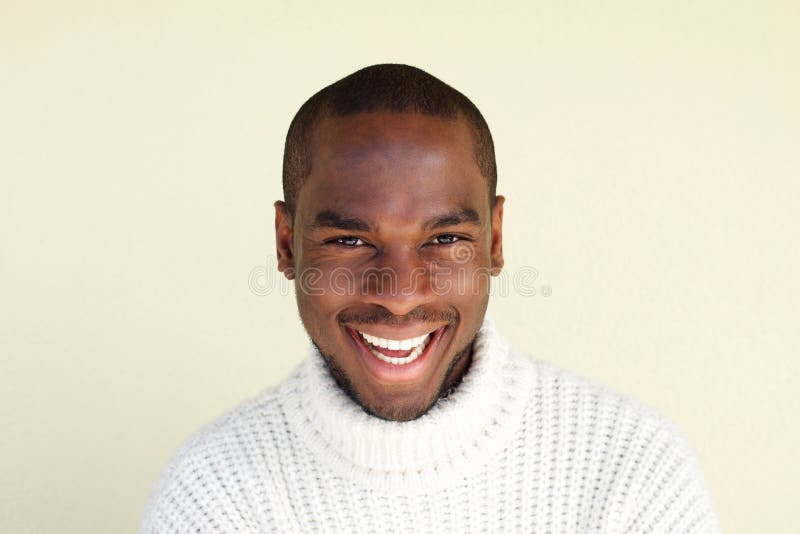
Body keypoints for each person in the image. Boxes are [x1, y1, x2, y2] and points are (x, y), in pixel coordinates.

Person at [141, 64, 720, 533]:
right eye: (350, 239)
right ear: (287, 244)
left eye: (445, 239)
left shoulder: (630, 470)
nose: (399, 295)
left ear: (494, 241)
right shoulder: (213, 496)